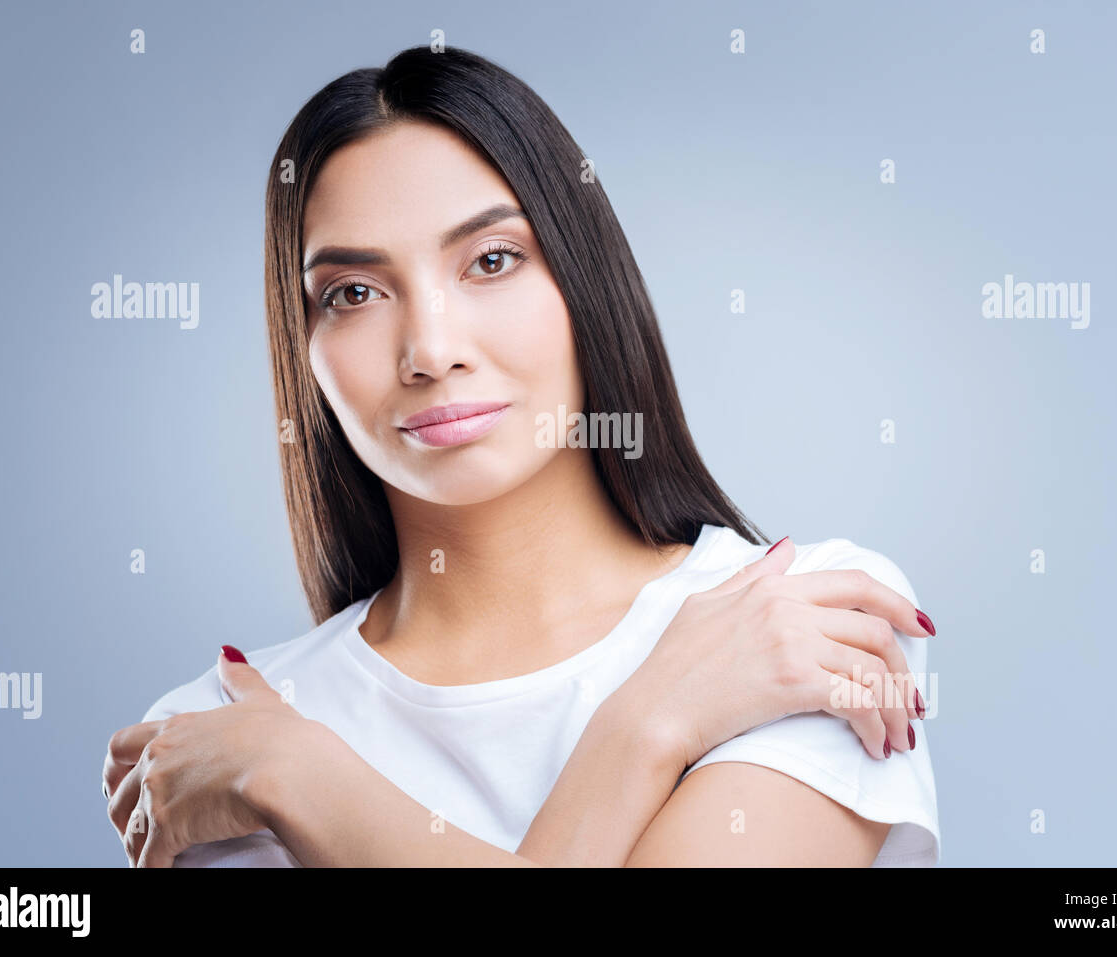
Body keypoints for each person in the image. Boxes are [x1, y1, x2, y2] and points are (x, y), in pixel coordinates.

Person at [101, 45, 941, 867]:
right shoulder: (217, 728)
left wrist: (299, 779)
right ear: (304, 346)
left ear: (584, 279)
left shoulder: (794, 618)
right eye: (354, 292)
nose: (431, 349)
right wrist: (652, 724)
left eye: (492, 260)